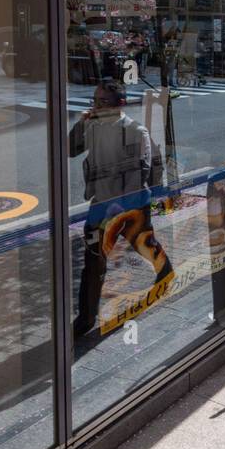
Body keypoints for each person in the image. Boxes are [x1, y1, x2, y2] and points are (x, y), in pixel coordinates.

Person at [68, 79, 172, 338]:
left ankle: (166, 273)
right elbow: (70, 150)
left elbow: (142, 173)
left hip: (131, 207)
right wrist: (81, 122)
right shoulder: (91, 125)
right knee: (93, 262)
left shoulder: (136, 131)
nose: (95, 105)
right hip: (100, 205)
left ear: (120, 104)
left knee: (145, 246)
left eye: (102, 101)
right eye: (94, 100)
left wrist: (119, 209)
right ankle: (86, 319)